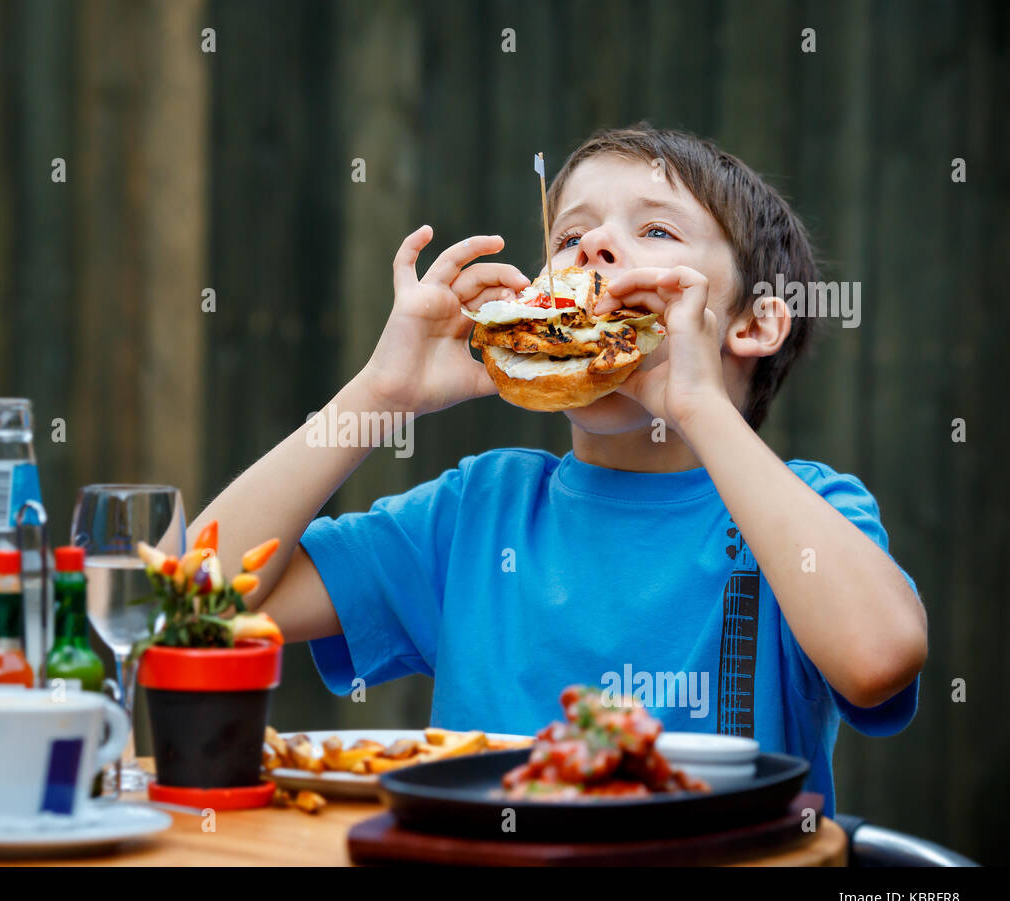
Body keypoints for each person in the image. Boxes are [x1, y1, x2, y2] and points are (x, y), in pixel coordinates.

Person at [192, 124, 927, 815]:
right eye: (571, 235)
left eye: (656, 231)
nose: (594, 248)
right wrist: (381, 394)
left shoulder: (808, 510)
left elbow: (878, 658)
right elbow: (196, 602)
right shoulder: (478, 512)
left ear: (755, 323)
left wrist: (697, 402)